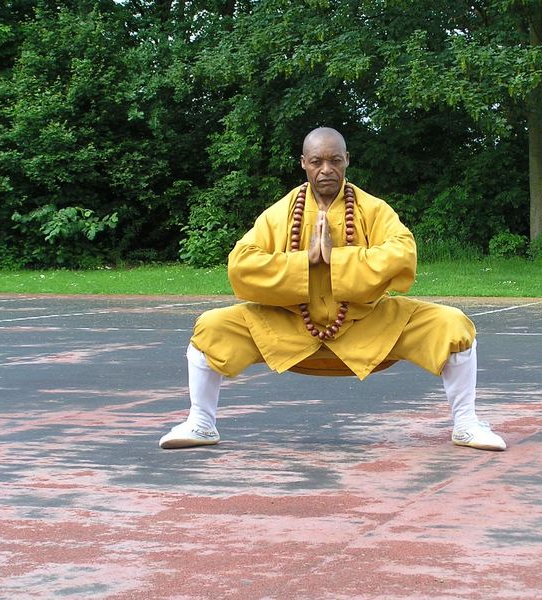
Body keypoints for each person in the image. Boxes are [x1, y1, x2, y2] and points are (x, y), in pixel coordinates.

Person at [159, 127, 506, 451]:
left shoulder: (373, 208)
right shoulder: (281, 213)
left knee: (452, 324)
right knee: (212, 327)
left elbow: (403, 253)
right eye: (317, 162)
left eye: (335, 160)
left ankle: (466, 423)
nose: (326, 169)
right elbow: (241, 265)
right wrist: (305, 262)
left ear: (347, 160)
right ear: (303, 164)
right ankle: (201, 423)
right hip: (290, 323)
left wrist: (336, 259)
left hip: (366, 323)